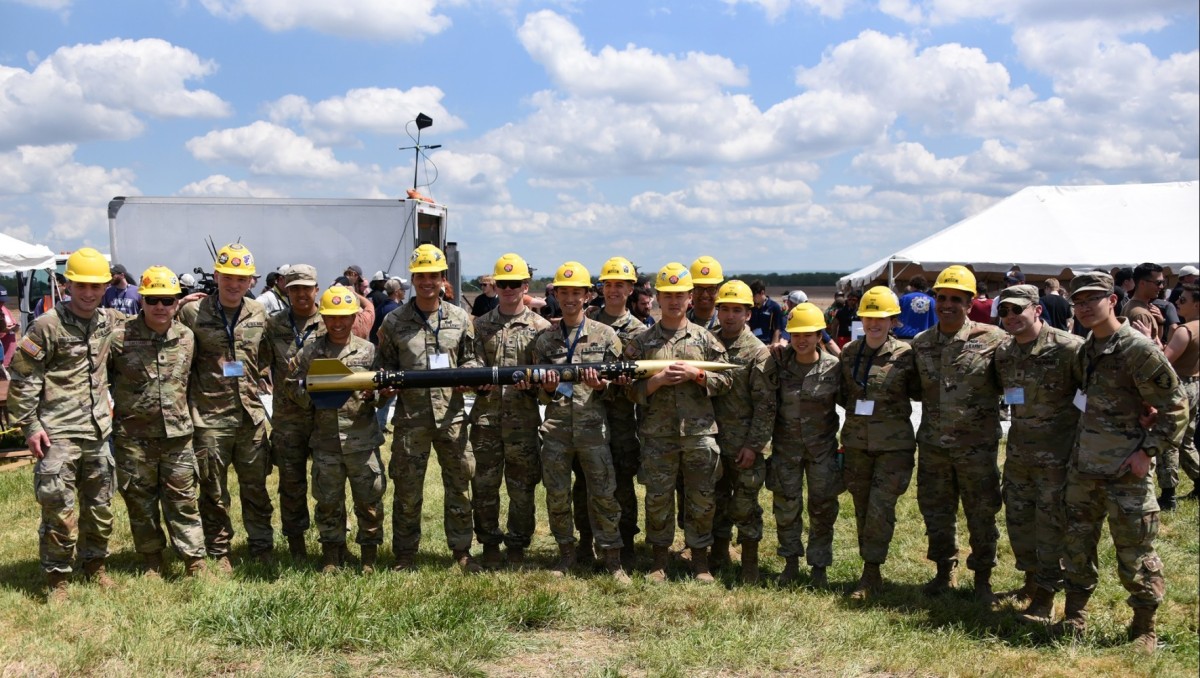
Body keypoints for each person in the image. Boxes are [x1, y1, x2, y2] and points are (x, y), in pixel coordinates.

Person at [1054, 272, 1186, 653]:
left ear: (1113, 301)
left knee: (1136, 552)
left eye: (1092, 300)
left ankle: (1145, 627)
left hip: (1125, 473)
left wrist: (1148, 452)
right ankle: (1074, 617)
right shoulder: (1086, 349)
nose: (1083, 308)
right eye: (1078, 302)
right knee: (1077, 546)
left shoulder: (1137, 349)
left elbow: (1176, 405)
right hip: (1084, 468)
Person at [9, 247, 122, 601]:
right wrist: (29, 426)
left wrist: (186, 303)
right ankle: (58, 577)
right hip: (58, 433)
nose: (89, 293)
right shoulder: (46, 326)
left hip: (98, 431)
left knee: (101, 506)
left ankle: (95, 566)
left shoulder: (110, 322)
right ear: (67, 284)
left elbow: (153, 318)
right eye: (81, 285)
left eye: (96, 286)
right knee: (59, 507)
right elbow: (24, 378)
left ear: (106, 286)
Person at [624, 262, 732, 582]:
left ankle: (700, 560)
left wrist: (696, 375)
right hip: (658, 435)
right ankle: (660, 559)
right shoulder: (643, 342)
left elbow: (726, 381)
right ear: (657, 297)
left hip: (698, 432)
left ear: (690, 298)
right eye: (667, 295)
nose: (674, 301)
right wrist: (656, 381)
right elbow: (627, 389)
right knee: (658, 497)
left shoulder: (705, 339)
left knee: (701, 497)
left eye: (680, 295)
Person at [377, 244, 482, 572]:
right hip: (412, 418)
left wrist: (469, 373)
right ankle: (405, 555)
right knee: (407, 488)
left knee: (459, 485)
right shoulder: (394, 321)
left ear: (442, 278)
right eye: (421, 275)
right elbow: (384, 366)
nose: (427, 281)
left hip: (451, 416)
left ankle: (462, 552)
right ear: (412, 277)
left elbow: (472, 358)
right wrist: (386, 386)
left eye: (433, 275)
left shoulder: (459, 317)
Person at [177, 242, 275, 571]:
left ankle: (261, 545)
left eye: (242, 279)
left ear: (252, 281)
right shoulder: (192, 312)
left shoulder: (259, 313)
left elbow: (263, 356)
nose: (234, 284)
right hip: (208, 416)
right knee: (213, 491)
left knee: (255, 488)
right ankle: (219, 550)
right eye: (228, 277)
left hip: (250, 416)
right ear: (216, 276)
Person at [912, 264, 1006, 604]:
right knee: (936, 512)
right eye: (941, 297)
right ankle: (943, 571)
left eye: (956, 299)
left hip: (976, 448)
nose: (947, 304)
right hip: (934, 446)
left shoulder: (993, 340)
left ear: (969, 302)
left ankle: (983, 578)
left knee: (981, 513)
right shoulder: (921, 344)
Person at [531, 261, 629, 582]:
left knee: (603, 494)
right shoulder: (545, 340)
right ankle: (566, 555)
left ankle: (612, 559)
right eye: (564, 292)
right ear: (556, 294)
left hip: (593, 431)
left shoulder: (606, 335)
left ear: (588, 296)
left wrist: (604, 386)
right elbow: (542, 394)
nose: (570, 298)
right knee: (557, 495)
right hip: (557, 430)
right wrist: (546, 388)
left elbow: (622, 384)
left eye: (577, 292)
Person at [108, 266, 206, 578]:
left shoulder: (187, 337)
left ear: (178, 301)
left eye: (167, 300)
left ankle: (194, 560)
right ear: (142, 301)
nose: (160, 307)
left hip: (178, 436)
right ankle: (152, 560)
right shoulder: (120, 337)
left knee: (183, 500)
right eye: (153, 300)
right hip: (134, 438)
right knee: (141, 502)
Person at [991, 284, 1082, 621]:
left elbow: (1094, 393)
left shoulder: (1069, 348)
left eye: (1018, 310)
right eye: (1005, 311)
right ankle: (1030, 582)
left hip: (1057, 460)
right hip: (1018, 457)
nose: (1011, 317)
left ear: (1037, 310)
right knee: (1019, 522)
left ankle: (1046, 595)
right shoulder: (1005, 353)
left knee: (1051, 527)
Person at [286, 286, 387, 575]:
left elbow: (383, 389)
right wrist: (312, 396)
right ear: (324, 317)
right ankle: (332, 554)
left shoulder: (368, 350)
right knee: (328, 501)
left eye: (345, 317)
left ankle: (369, 554)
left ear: (355, 316)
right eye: (332, 317)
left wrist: (376, 396)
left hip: (361, 439)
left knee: (369, 499)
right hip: (326, 441)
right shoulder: (311, 350)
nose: (338, 323)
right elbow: (291, 385)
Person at [837, 287, 920, 600]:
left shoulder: (906, 356)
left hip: (893, 447)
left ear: (894, 321)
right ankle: (869, 570)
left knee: (880, 508)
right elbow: (844, 396)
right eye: (869, 317)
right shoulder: (848, 353)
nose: (874, 323)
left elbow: (919, 391)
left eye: (881, 318)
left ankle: (872, 571)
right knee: (861, 507)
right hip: (857, 445)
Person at [468, 254, 549, 569]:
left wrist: (533, 383)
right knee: (484, 486)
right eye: (503, 283)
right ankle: (489, 543)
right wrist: (477, 377)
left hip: (523, 422)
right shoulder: (482, 326)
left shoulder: (540, 328)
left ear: (525, 286)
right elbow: (471, 359)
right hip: (486, 419)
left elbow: (547, 378)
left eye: (515, 284)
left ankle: (517, 545)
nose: (509, 289)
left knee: (522, 488)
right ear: (495, 286)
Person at [581, 256, 648, 570]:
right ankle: (585, 542)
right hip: (586, 415)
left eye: (620, 284)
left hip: (621, 419)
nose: (613, 290)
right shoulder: (587, 319)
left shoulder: (639, 331)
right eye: (608, 284)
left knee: (621, 482)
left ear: (631, 288)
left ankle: (626, 543)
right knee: (584, 482)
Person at [771, 302, 843, 587]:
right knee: (786, 508)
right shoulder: (778, 362)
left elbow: (850, 404)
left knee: (823, 509)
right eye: (796, 334)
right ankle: (790, 563)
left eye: (808, 334)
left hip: (821, 450)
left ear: (819, 335)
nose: (801, 340)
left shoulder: (833, 368)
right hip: (786, 449)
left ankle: (819, 567)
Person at [710, 280, 777, 583]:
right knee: (717, 502)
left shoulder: (757, 352)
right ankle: (719, 554)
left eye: (737, 310)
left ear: (748, 314)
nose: (730, 316)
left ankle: (750, 563)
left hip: (744, 446)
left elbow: (765, 406)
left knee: (746, 505)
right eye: (725, 309)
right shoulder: (708, 343)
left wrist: (754, 445)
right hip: (713, 441)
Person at [259, 263, 324, 560]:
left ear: (316, 289)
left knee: (328, 482)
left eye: (306, 287)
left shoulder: (330, 320)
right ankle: (296, 543)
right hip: (288, 418)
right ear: (285, 289)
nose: (301, 293)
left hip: (325, 417)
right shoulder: (273, 325)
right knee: (291, 482)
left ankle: (332, 541)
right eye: (294, 287)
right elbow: (258, 361)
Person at [1146, 281, 1200, 507]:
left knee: (1169, 442)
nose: (1177, 302)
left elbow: (1164, 363)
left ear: (1197, 304)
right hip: (1195, 385)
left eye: (1183, 300)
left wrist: (1150, 342)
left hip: (1179, 388)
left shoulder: (1185, 331)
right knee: (1187, 440)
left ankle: (1168, 495)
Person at [1122, 262, 1166, 342]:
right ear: (1142, 283)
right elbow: (1145, 350)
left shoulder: (1131, 305)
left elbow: (1155, 338)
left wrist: (1160, 322)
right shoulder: (1141, 315)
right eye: (1158, 283)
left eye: (1163, 282)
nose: (1161, 287)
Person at [686, 255, 723, 331]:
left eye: (711, 289)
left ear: (719, 289)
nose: (705, 294)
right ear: (691, 289)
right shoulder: (680, 323)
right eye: (699, 288)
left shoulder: (728, 324)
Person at [895, 275, 936, 340]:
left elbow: (895, 316)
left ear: (912, 286)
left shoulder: (904, 298)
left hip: (903, 336)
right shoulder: (932, 301)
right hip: (924, 338)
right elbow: (934, 321)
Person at [748, 279, 785, 345]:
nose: (752, 298)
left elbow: (777, 329)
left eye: (754, 296)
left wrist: (773, 346)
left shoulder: (774, 307)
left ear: (762, 293)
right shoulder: (751, 307)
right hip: (752, 343)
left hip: (767, 343)